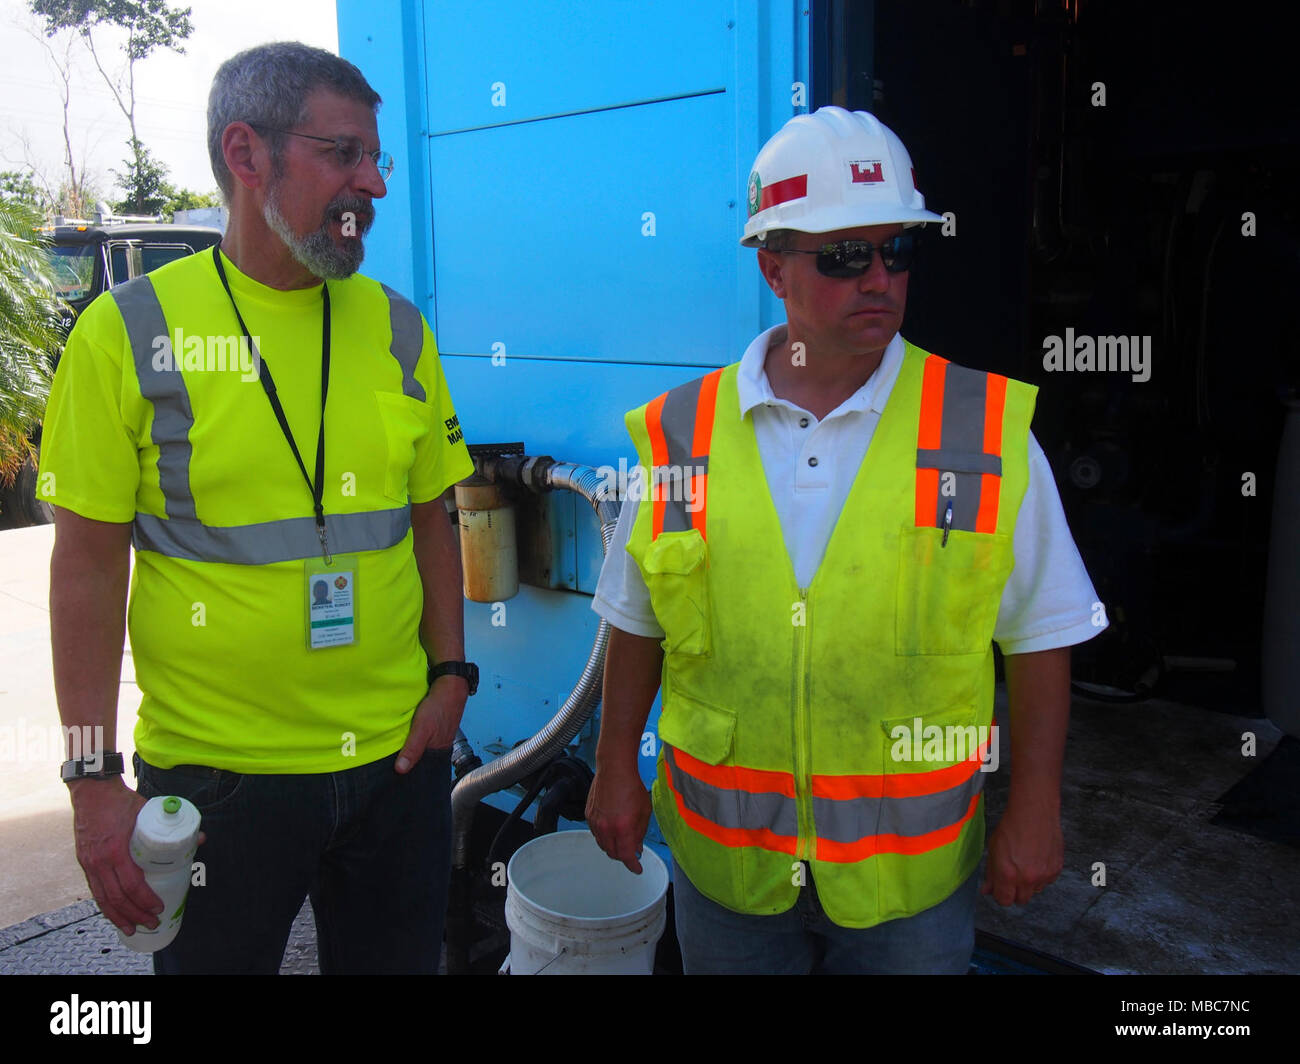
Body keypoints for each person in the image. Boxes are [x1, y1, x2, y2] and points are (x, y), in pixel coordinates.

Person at [586, 106, 1105, 974]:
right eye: (842, 256)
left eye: (896, 250)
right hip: (729, 867)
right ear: (772, 268)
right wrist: (612, 771)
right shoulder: (684, 433)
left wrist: (1037, 803)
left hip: (911, 883)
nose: (879, 279)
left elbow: (1043, 632)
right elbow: (635, 618)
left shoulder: (979, 431)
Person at [41, 42, 476, 974]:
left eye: (376, 158)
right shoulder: (129, 335)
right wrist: (89, 779)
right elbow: (83, 569)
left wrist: (451, 680)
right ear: (246, 154)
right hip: (218, 784)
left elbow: (433, 517)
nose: (373, 185)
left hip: (395, 765)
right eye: (343, 155)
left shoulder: (398, 327)